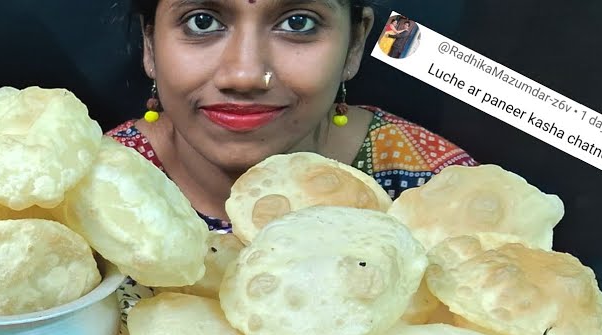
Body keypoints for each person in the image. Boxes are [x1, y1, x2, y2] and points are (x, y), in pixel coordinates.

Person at [109, 0, 476, 231]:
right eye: (201, 21)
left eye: (298, 22)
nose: (245, 75)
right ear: (150, 45)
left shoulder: (441, 191)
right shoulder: (87, 189)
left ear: (354, 45)